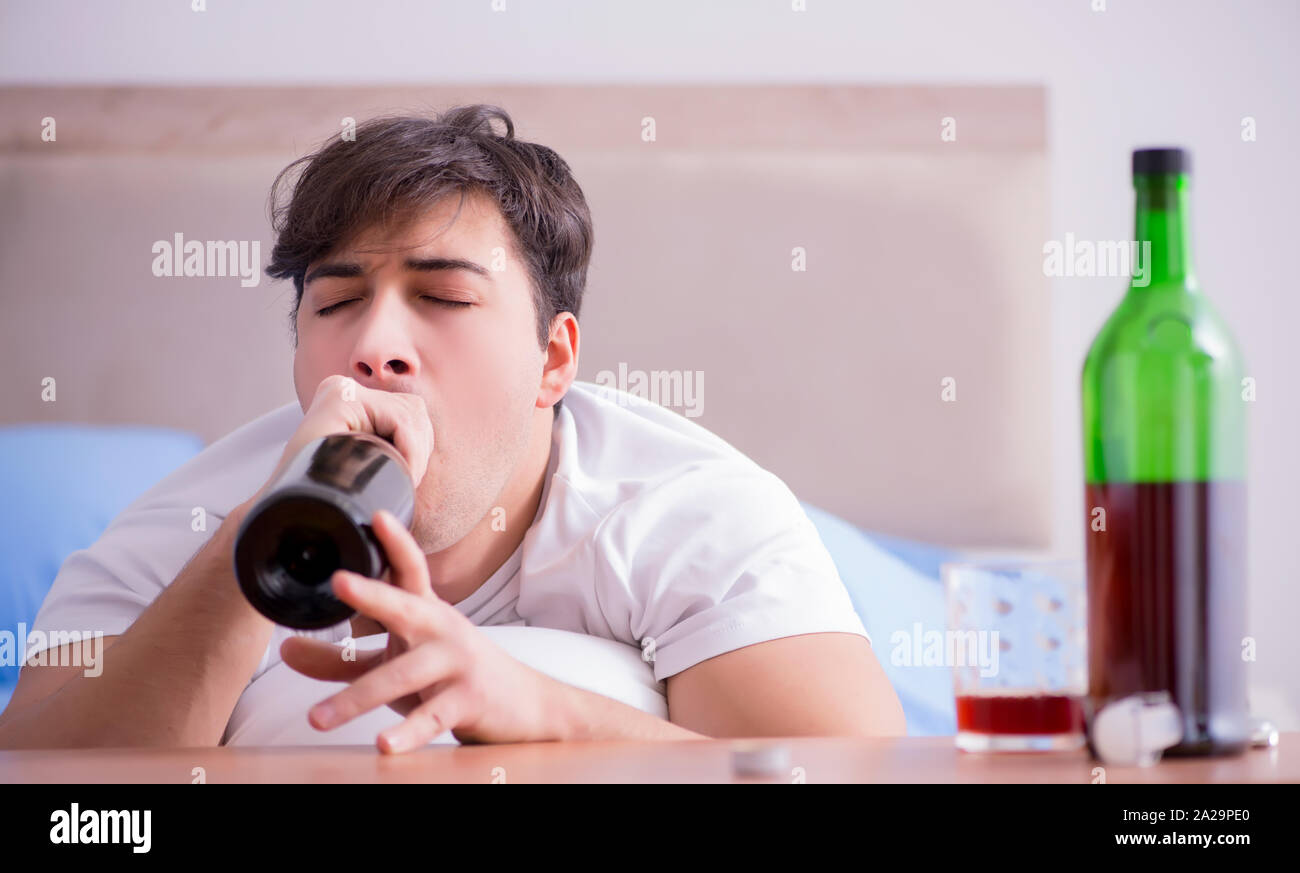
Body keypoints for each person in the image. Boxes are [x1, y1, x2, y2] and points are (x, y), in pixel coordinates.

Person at [0, 105, 904, 753]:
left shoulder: (691, 513)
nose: (376, 346)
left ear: (553, 361)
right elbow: (57, 808)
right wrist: (258, 550)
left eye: (443, 297)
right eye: (338, 302)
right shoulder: (188, 526)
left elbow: (843, 776)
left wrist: (553, 711)